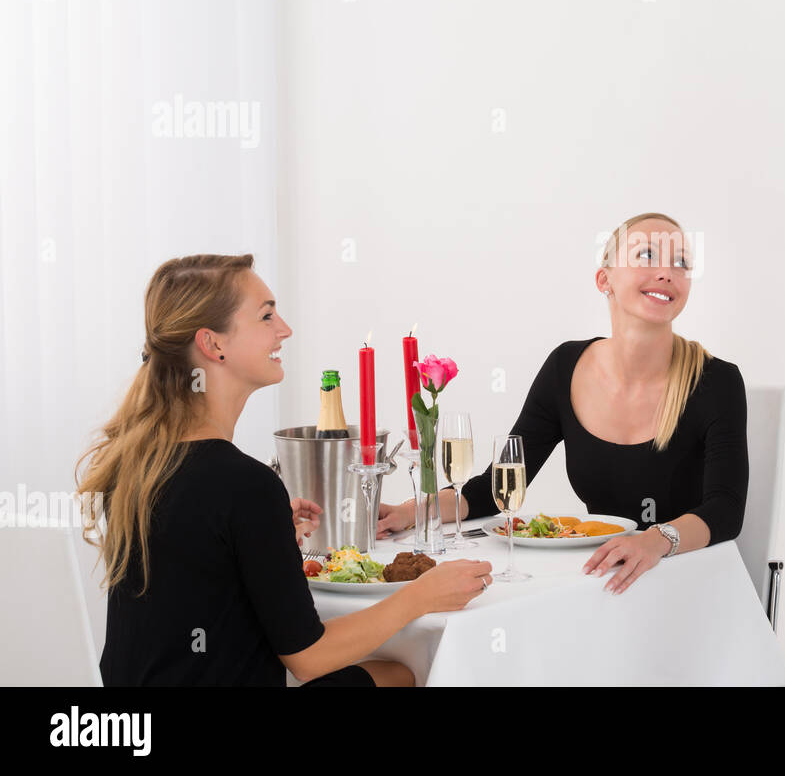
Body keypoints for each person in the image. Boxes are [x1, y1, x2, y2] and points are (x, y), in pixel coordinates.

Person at [76, 254, 493, 686]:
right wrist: (419, 596)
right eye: (266, 315)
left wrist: (260, 537)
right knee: (401, 676)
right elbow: (309, 657)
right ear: (213, 344)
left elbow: (191, 573)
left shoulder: (137, 464)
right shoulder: (246, 485)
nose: (285, 329)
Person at [377, 213, 749, 594]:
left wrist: (653, 541)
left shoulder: (716, 381)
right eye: (646, 256)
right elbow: (496, 488)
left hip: (691, 582)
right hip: (606, 580)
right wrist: (411, 511)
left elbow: (725, 510)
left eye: (681, 262)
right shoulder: (565, 368)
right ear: (605, 279)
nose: (667, 272)